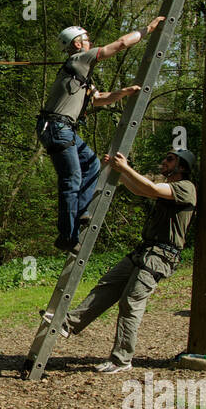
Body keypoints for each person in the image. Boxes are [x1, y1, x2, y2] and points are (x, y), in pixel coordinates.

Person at [46, 149, 196, 373]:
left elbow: (151, 188)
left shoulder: (186, 187)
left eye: (170, 159)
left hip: (161, 256)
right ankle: (70, 323)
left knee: (131, 301)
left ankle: (121, 359)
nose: (164, 162)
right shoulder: (170, 188)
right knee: (108, 284)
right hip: (145, 251)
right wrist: (120, 171)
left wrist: (125, 167)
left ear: (182, 167)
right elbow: (140, 190)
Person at [37, 17, 164, 251]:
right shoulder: (79, 59)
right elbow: (119, 45)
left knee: (93, 165)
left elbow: (98, 100)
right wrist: (148, 29)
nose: (90, 43)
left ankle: (80, 213)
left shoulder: (81, 76)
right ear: (76, 44)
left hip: (65, 130)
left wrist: (123, 93)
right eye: (86, 39)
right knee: (72, 179)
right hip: (57, 128)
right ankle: (67, 235)